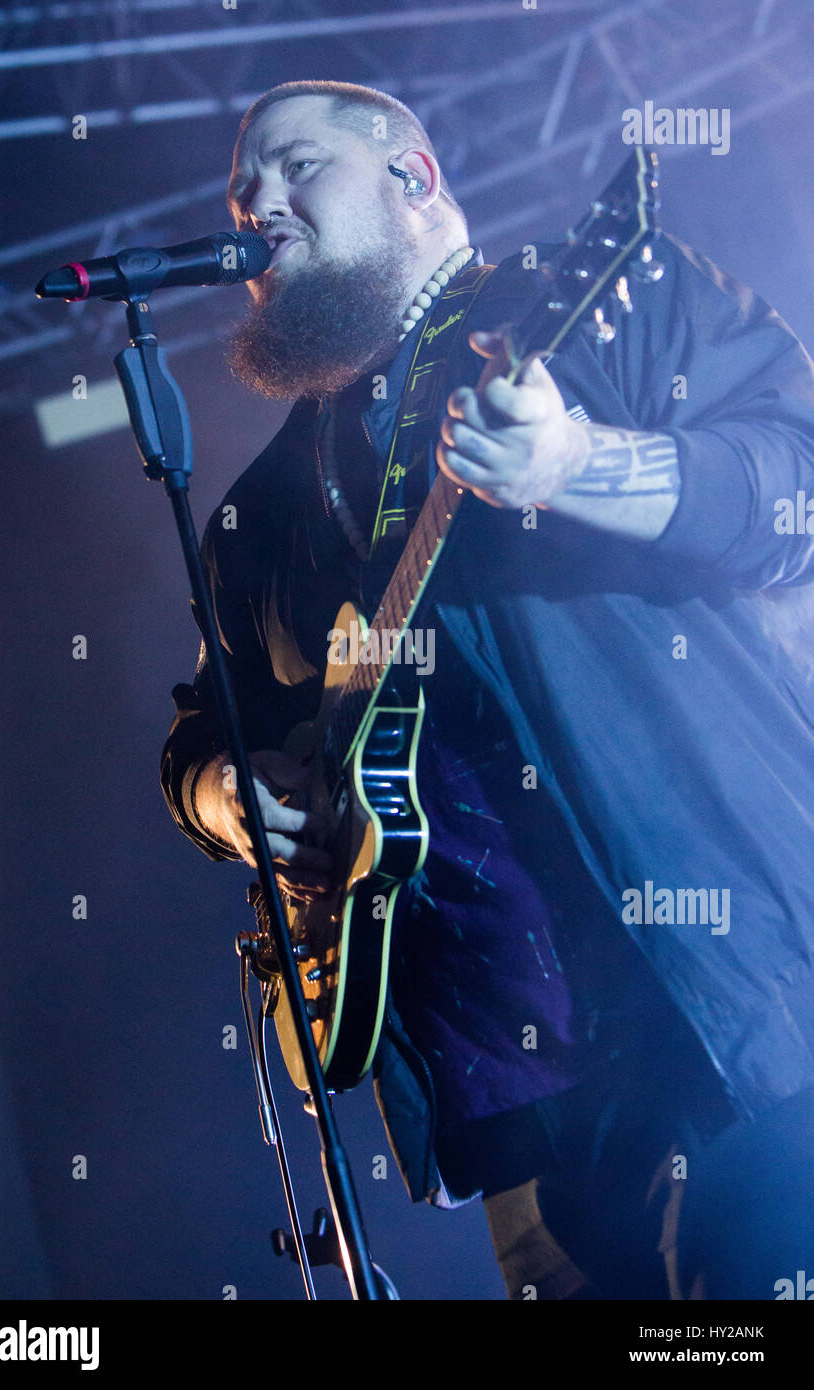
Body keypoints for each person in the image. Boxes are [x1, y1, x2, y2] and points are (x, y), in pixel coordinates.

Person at [160, 80, 814, 1300]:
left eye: (295, 165)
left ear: (409, 176)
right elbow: (204, 736)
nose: (257, 200)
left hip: (737, 1004)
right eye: (243, 187)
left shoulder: (589, 302)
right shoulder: (252, 520)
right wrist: (228, 798)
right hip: (511, 1103)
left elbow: (797, 485)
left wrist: (580, 464)